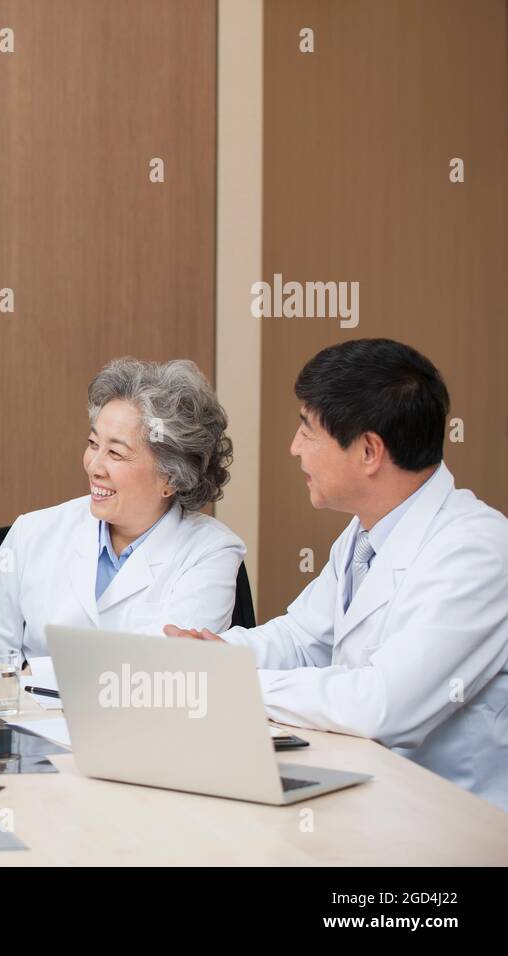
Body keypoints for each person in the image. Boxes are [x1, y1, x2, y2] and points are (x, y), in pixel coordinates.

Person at [167, 338, 508, 811]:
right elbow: (303, 637)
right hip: (368, 793)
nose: (294, 448)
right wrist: (206, 655)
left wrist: (227, 681)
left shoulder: (478, 551)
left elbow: (382, 705)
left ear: (369, 451)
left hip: (450, 826)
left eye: (307, 431)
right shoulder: (364, 533)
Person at [0, 357, 245, 675]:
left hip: (145, 725)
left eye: (116, 453)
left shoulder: (211, 551)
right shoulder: (33, 532)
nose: (94, 466)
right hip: (27, 722)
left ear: (171, 478)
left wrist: (36, 674)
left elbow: (167, 670)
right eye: (93, 444)